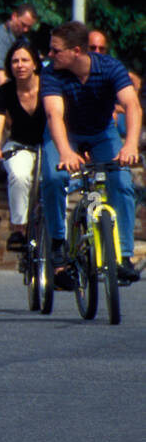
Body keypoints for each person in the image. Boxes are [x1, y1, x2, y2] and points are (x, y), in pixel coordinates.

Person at [40, 21, 141, 286]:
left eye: (55, 50)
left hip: (101, 131)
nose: (50, 55)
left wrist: (130, 145)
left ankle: (124, 256)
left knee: (121, 181)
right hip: (64, 132)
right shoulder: (52, 73)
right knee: (53, 178)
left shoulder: (109, 68)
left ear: (76, 51)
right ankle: (58, 244)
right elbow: (54, 115)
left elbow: (132, 105)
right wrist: (65, 152)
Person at [0, 40, 46, 251]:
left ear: (35, 64)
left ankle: (59, 238)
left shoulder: (48, 85)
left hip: (47, 144)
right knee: (19, 176)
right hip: (20, 144)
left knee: (55, 181)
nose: (20, 65)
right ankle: (19, 229)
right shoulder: (6, 90)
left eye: (24, 60)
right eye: (14, 61)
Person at [0, 3, 38, 89]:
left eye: (29, 27)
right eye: (23, 25)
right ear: (14, 16)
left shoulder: (23, 40)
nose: (26, 30)